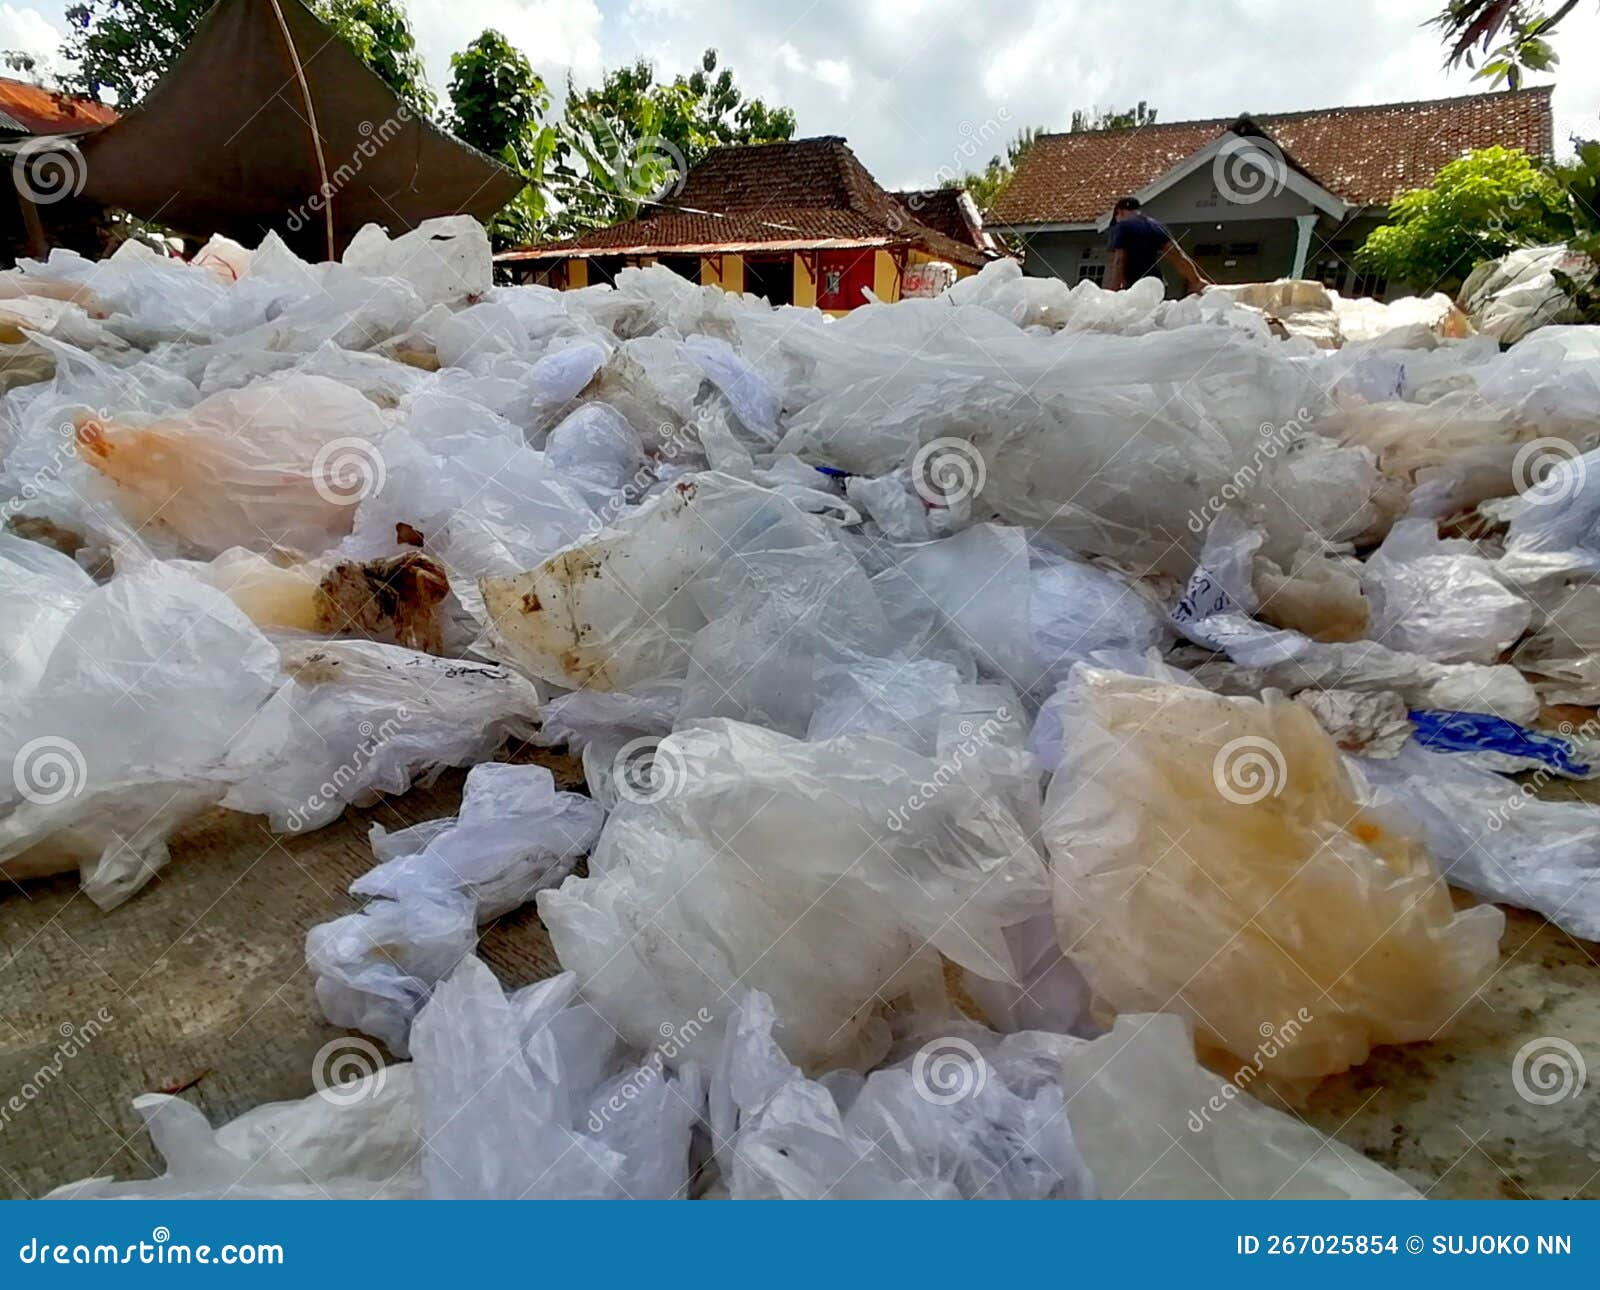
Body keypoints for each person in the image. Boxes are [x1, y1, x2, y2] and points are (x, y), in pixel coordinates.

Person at [1104, 197, 1208, 295]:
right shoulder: (1156, 225)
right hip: (1157, 284)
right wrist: (1196, 280)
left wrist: (1113, 290)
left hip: (1135, 287)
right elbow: (1176, 255)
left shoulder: (1122, 226)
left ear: (1120, 212)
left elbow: (1119, 260)